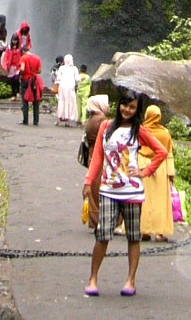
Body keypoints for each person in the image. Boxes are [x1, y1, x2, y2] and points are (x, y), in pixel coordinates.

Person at [82, 89, 167, 297]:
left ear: (137, 110)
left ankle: (130, 280)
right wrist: (88, 181)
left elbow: (161, 151)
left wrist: (145, 172)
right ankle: (92, 279)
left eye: (132, 107)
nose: (127, 110)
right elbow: (98, 157)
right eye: (125, 105)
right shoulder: (106, 126)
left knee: (133, 236)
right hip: (108, 189)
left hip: (131, 191)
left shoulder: (139, 130)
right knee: (102, 234)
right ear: (119, 105)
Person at [139, 104, 175, 241]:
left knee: (144, 200)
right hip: (161, 168)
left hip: (143, 168)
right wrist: (171, 174)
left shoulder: (141, 131)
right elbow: (169, 154)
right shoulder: (165, 133)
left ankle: (143, 231)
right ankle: (159, 233)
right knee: (160, 202)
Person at [82, 93, 109, 231]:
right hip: (100, 154)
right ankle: (101, 219)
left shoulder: (91, 119)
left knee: (93, 188)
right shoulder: (101, 120)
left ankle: (94, 219)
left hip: (92, 153)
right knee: (100, 187)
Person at [20, 45, 44, 125]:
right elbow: (39, 71)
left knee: (25, 100)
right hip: (34, 80)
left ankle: (25, 120)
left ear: (23, 51)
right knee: (36, 100)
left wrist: (20, 74)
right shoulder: (37, 58)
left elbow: (22, 69)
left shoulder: (23, 58)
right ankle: (36, 121)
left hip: (25, 80)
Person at [55, 53, 79, 125]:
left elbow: (58, 78)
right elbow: (77, 79)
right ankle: (67, 121)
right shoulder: (74, 68)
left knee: (61, 102)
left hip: (62, 86)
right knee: (69, 103)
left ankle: (59, 120)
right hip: (71, 87)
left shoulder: (61, 68)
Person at [0, 33, 22, 98]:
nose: (14, 42)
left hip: (17, 66)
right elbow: (6, 57)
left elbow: (22, 57)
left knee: (16, 78)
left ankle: (17, 91)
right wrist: (4, 65)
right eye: (13, 40)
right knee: (12, 80)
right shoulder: (9, 48)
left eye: (16, 40)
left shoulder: (19, 48)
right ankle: (13, 94)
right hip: (10, 66)